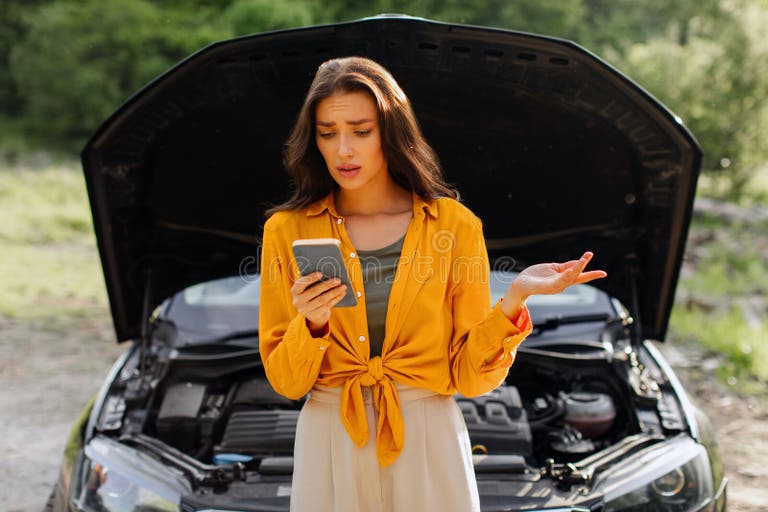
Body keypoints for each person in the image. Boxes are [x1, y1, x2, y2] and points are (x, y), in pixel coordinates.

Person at [258, 56, 606, 512]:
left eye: (361, 131)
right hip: (329, 436)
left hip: (428, 434)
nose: (343, 149)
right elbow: (286, 381)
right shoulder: (286, 231)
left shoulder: (455, 226)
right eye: (328, 132)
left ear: (390, 131)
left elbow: (468, 375)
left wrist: (515, 298)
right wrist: (314, 324)